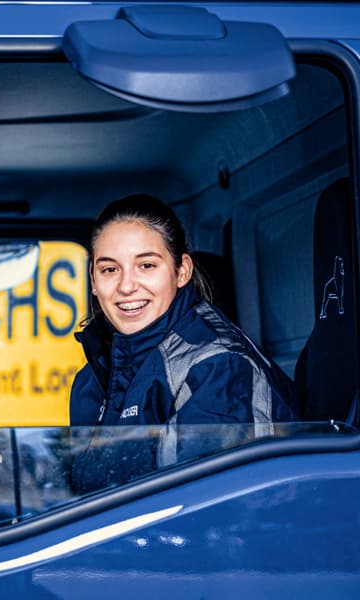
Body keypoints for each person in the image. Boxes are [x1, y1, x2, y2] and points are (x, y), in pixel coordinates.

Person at [69, 194, 296, 491]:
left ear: (181, 271)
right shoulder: (93, 377)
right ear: (94, 280)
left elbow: (206, 511)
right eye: (110, 269)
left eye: (146, 265)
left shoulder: (219, 367)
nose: (126, 286)